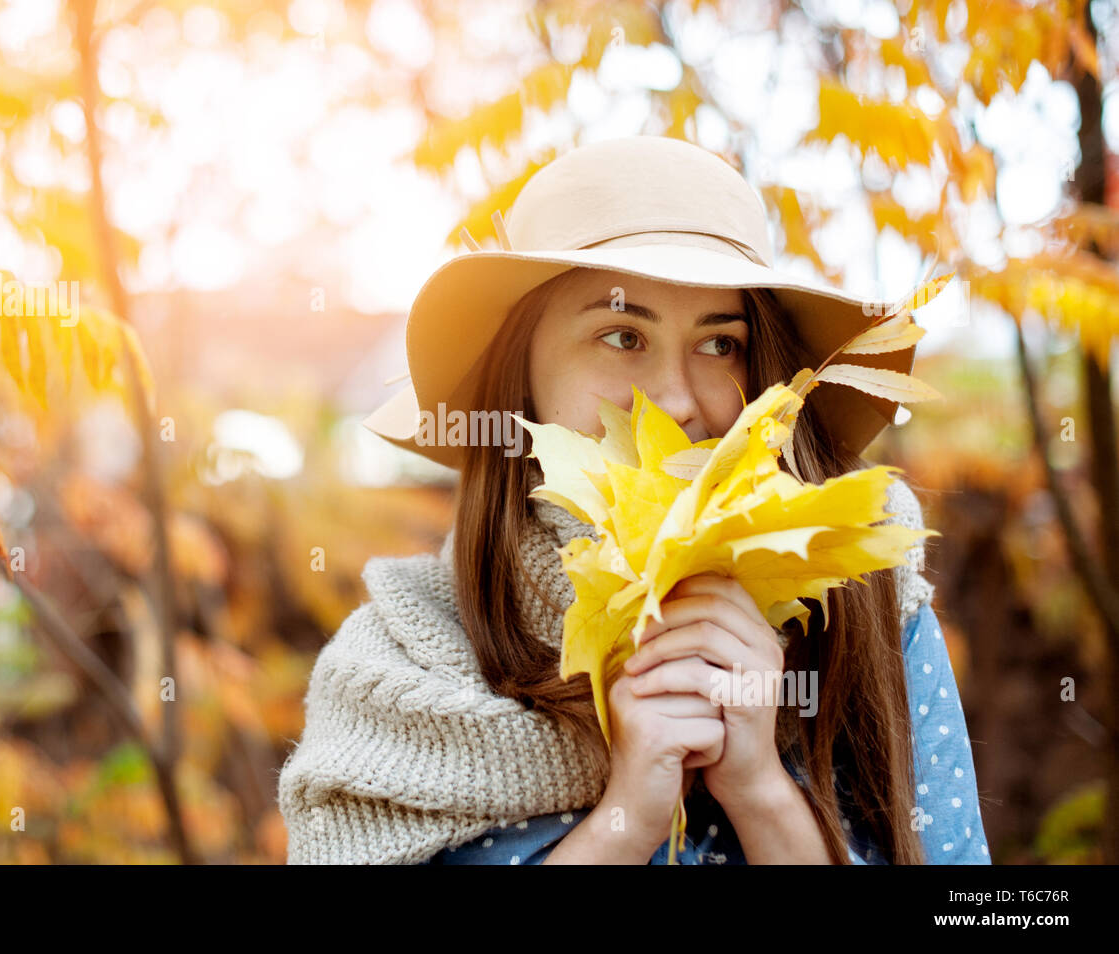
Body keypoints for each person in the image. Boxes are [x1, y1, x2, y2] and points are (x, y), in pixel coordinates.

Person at [276, 135, 989, 865]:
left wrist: (759, 791)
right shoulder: (404, 670)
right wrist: (628, 819)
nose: (678, 401)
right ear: (517, 375)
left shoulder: (859, 587)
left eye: (720, 345)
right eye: (623, 335)